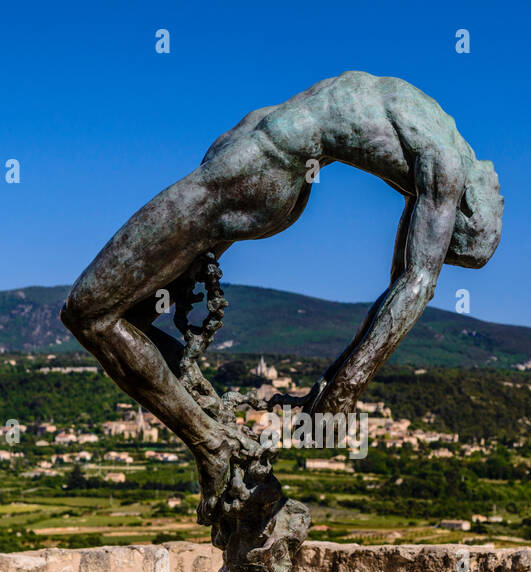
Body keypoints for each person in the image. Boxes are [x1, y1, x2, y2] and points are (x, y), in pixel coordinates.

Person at [61, 71, 503, 523]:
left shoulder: (438, 141)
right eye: (448, 245)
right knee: (119, 320)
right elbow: (412, 279)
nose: (435, 236)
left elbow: (411, 283)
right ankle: (212, 430)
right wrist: (337, 391)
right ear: (469, 215)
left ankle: (210, 446)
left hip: (258, 170)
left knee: (89, 314)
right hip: (256, 170)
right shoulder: (440, 155)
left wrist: (339, 390)